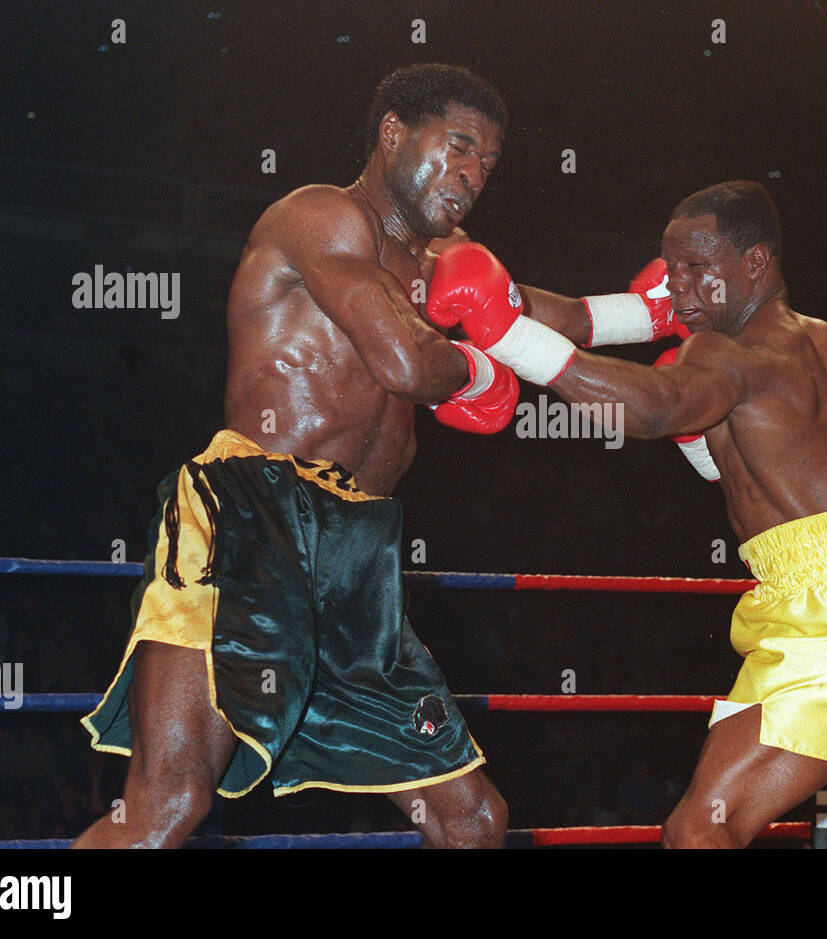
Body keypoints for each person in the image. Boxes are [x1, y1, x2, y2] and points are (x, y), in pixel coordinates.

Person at [427, 180, 827, 848]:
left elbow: (653, 407)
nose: (677, 287)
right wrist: (492, 285)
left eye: (696, 270)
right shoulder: (821, 340)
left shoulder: (725, 353)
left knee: (699, 829)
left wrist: (506, 336)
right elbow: (758, 448)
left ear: (755, 263)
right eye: (671, 267)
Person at [75, 63, 515, 848]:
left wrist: (649, 310)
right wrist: (481, 369)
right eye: (457, 146)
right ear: (392, 134)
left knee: (472, 819)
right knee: (167, 808)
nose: (472, 173)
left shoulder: (448, 267)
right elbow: (410, 367)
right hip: (253, 513)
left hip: (356, 551)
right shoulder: (322, 218)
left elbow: (546, 322)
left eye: (487, 160)